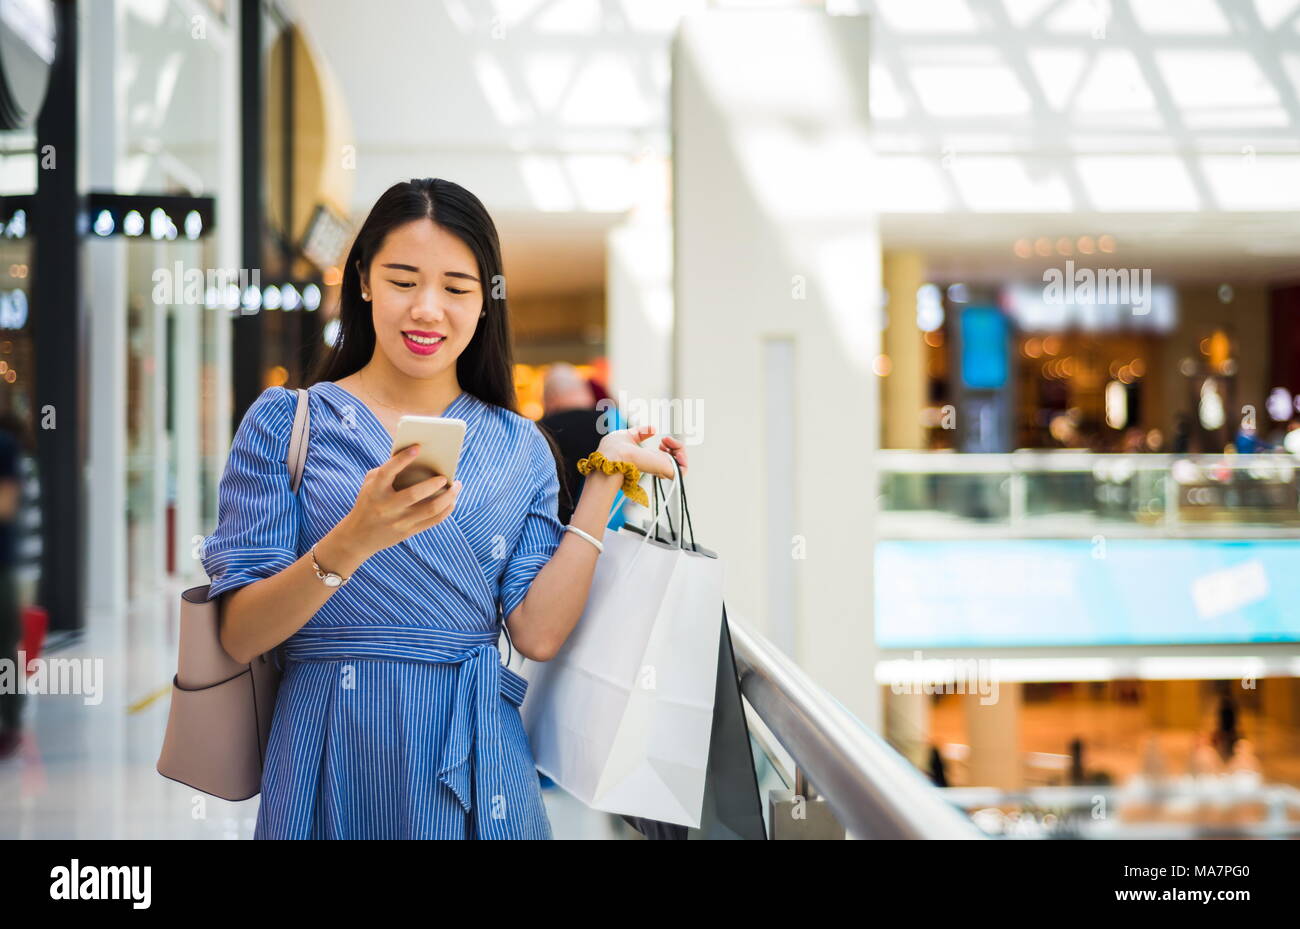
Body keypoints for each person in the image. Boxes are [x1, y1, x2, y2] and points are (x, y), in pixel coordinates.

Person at [201, 178, 687, 839]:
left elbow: (537, 634)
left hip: (480, 761)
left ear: (486, 302)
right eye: (404, 279)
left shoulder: (521, 446)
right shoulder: (290, 423)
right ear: (365, 279)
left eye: (457, 289)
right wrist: (354, 538)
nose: (428, 309)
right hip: (330, 749)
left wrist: (603, 483)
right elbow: (239, 633)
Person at [538, 364, 629, 529]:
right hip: (614, 529)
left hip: (562, 534)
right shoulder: (615, 423)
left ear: (552, 396)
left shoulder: (543, 431)